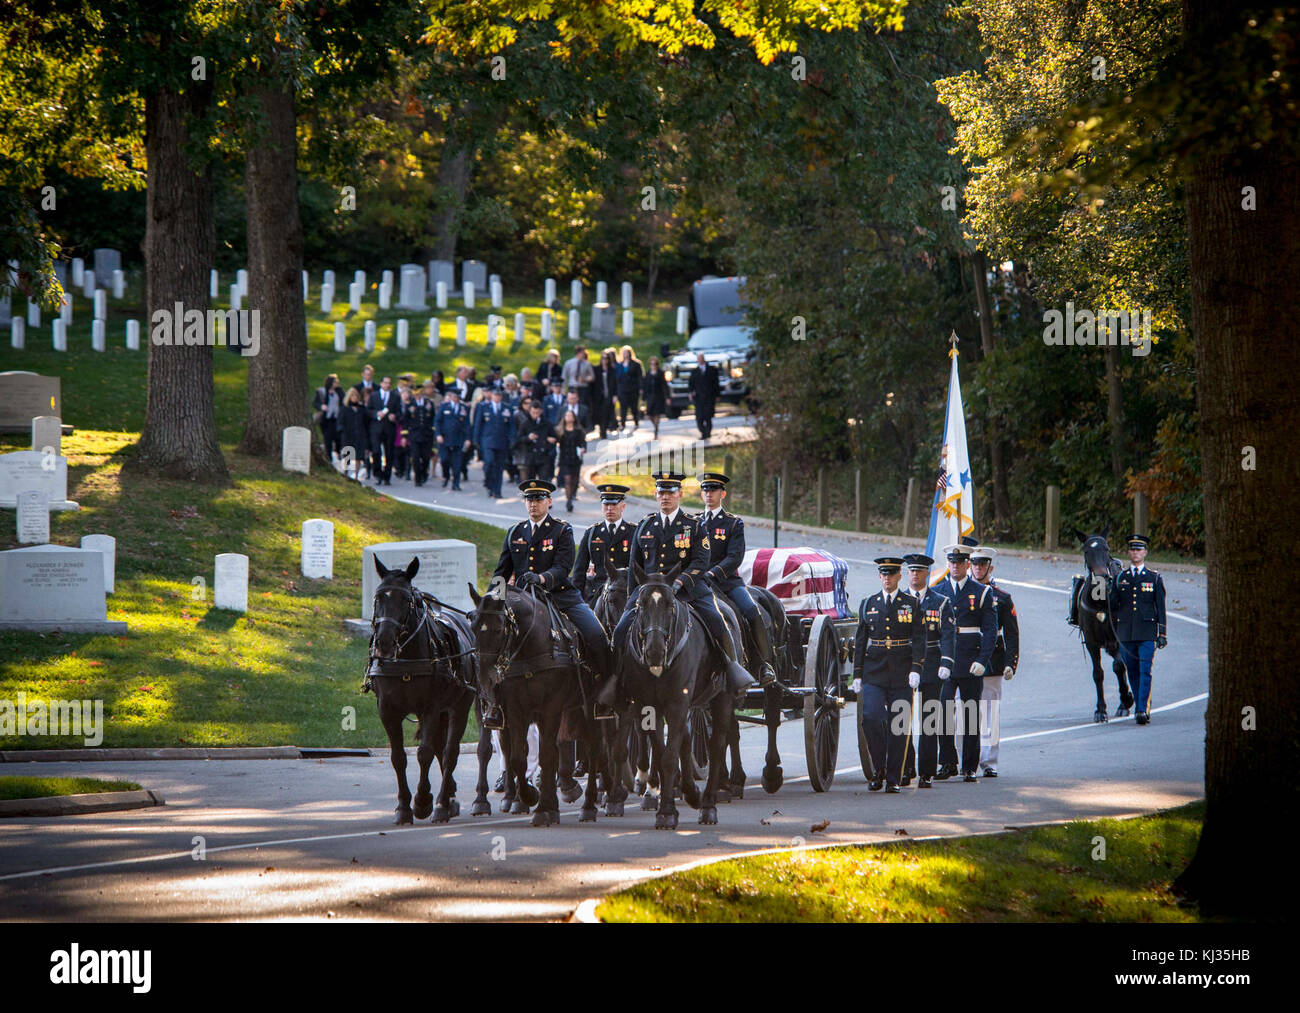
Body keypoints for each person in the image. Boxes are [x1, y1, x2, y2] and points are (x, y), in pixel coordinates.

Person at [598, 472, 757, 718]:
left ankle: (732, 670)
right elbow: (635, 566)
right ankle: (617, 681)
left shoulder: (694, 525)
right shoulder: (645, 525)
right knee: (619, 630)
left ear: (680, 495)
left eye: (670, 493)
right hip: (650, 594)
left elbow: (701, 561)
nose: (665, 498)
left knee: (718, 620)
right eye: (661, 493)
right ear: (655, 495)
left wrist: (681, 581)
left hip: (689, 591)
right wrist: (632, 598)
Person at [486, 479, 612, 729]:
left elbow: (564, 567)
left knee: (597, 635)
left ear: (549, 502)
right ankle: (494, 704)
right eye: (529, 500)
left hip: (559, 597)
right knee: (490, 641)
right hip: (522, 601)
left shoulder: (561, 530)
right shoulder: (515, 532)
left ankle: (604, 694)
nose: (533, 504)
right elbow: (501, 573)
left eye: (538, 500)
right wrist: (490, 602)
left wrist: (542, 578)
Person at [852, 557, 926, 793]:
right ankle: (879, 768)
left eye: (891, 574)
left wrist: (916, 668)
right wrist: (857, 673)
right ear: (879, 577)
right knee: (871, 717)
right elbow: (861, 641)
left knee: (899, 725)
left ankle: (893, 778)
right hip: (875, 672)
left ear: (898, 577)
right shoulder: (868, 604)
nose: (887, 578)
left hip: (902, 673)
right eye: (883, 574)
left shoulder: (910, 604)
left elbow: (919, 638)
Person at [695, 473, 776, 685]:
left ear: (722, 494)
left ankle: (763, 663)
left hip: (726, 582)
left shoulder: (733, 523)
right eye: (705, 490)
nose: (708, 494)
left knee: (751, 611)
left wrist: (713, 573)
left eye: (713, 490)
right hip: (697, 584)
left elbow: (735, 557)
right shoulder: (693, 522)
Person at [931, 542, 998, 782]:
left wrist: (983, 660)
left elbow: (990, 631)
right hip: (946, 661)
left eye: (960, 563)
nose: (955, 566)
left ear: (967, 564)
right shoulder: (937, 591)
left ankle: (969, 766)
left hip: (971, 660)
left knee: (970, 715)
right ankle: (948, 762)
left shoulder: (981, 592)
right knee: (944, 712)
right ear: (948, 565)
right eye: (952, 562)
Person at [899, 553, 955, 788]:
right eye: (911, 570)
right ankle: (906, 767)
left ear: (927, 574)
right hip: (904, 664)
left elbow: (948, 635)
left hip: (931, 664)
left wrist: (947, 662)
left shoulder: (940, 602)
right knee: (902, 720)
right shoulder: (900, 601)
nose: (914, 574)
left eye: (919, 571)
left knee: (929, 721)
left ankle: (926, 771)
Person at [969, 546, 1019, 776]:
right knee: (963, 713)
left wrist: (1011, 662)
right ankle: (965, 760)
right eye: (975, 564)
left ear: (991, 567)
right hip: (967, 659)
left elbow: (1011, 633)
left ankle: (989, 762)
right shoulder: (961, 593)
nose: (978, 568)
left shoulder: (1002, 598)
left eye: (982, 565)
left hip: (993, 661)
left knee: (990, 714)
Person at [1110, 533, 1167, 724]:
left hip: (1146, 632)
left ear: (1145, 553)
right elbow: (1113, 605)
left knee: (1145, 669)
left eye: (1139, 549)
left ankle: (1143, 709)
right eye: (1133, 549)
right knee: (1132, 670)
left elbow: (1160, 607)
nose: (1136, 553)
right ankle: (1139, 704)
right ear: (1129, 552)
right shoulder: (1121, 578)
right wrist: (1107, 587)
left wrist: (1162, 633)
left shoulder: (1154, 578)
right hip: (1126, 633)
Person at [572, 483, 635, 599]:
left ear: (623, 506)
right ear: (602, 506)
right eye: (606, 504)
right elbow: (579, 571)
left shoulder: (633, 532)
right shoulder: (592, 533)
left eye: (614, 504)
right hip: (596, 593)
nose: (609, 508)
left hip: (623, 593)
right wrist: (577, 599)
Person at [473, 387, 515, 499]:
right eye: (495, 395)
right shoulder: (484, 407)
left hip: (501, 441)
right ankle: (489, 484)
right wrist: (475, 440)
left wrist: (512, 439)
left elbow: (511, 426)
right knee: (489, 463)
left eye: (499, 395)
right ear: (492, 396)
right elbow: (478, 424)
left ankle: (497, 490)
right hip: (487, 440)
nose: (497, 397)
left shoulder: (507, 408)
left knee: (499, 467)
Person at [434, 386, 471, 490]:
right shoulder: (444, 406)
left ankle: (456, 483)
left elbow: (467, 425)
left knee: (457, 462)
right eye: (454, 396)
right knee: (444, 460)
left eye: (458, 397)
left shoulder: (464, 408)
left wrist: (468, 438)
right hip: (445, 438)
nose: (456, 398)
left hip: (458, 438)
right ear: (450, 396)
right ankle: (446, 476)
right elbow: (437, 422)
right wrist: (438, 434)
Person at [367, 376, 401, 486]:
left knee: (389, 452)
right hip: (376, 427)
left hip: (389, 429)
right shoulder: (374, 396)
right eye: (385, 383)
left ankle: (387, 476)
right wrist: (376, 414)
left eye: (389, 383)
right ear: (381, 384)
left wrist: (394, 416)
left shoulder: (395, 397)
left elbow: (399, 412)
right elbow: (368, 410)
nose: (387, 385)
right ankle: (377, 474)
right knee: (376, 451)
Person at [514, 399, 556, 483]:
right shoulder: (525, 423)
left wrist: (550, 441)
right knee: (530, 484)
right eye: (533, 412)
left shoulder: (547, 423)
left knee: (543, 483)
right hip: (529, 457)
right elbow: (518, 439)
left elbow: (554, 437)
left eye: (537, 412)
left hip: (543, 456)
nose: (535, 415)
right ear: (529, 411)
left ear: (541, 411)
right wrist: (528, 438)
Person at [405, 384, 436, 486]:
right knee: (415, 457)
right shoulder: (410, 405)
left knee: (426, 457)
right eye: (415, 394)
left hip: (426, 435)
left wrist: (433, 431)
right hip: (415, 435)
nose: (417, 396)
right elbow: (406, 421)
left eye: (418, 393)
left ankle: (424, 472)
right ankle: (417, 478)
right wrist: (404, 436)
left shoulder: (428, 403)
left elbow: (432, 418)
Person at [555, 411, 586, 512]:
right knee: (567, 479)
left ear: (574, 418)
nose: (568, 417)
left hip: (575, 458)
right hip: (564, 458)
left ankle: (572, 495)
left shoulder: (579, 430)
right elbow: (556, 441)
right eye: (566, 415)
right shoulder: (560, 430)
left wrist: (583, 449)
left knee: (574, 480)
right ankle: (568, 500)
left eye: (570, 415)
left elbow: (583, 442)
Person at [338, 387, 368, 479]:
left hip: (359, 435)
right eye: (352, 396)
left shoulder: (361, 409)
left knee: (358, 456)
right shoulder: (345, 409)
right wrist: (342, 430)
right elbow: (340, 422)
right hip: (348, 435)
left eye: (356, 396)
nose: (354, 398)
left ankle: (355, 475)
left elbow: (365, 422)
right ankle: (346, 473)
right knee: (348, 455)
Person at [690, 352, 721, 439]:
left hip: (709, 396)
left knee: (708, 415)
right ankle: (703, 431)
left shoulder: (712, 370)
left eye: (701, 358)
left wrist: (717, 395)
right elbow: (691, 384)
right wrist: (690, 393)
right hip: (699, 397)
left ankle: (707, 432)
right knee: (699, 416)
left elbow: (716, 383)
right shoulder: (695, 371)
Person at [354, 364, 378, 476]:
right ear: (363, 375)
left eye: (370, 374)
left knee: (372, 444)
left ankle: (370, 466)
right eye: (366, 374)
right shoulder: (357, 387)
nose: (368, 376)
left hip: (373, 419)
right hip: (361, 420)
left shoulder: (376, 388)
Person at [313, 373, 342, 462]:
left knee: (338, 437)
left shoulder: (339, 391)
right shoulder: (322, 391)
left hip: (336, 418)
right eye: (334, 382)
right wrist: (321, 406)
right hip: (326, 419)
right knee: (328, 438)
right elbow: (315, 403)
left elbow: (344, 401)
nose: (336, 384)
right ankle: (329, 458)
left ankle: (338, 452)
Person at [592, 348, 619, 438]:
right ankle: (602, 430)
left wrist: (615, 395)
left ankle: (605, 429)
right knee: (600, 413)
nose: (604, 360)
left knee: (607, 412)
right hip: (599, 396)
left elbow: (615, 384)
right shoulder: (596, 369)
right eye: (603, 358)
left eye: (606, 359)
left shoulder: (612, 370)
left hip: (609, 395)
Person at [616, 345, 643, 430]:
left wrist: (641, 388)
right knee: (623, 407)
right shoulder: (619, 365)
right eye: (624, 353)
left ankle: (636, 421)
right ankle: (623, 424)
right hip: (623, 389)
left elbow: (640, 377)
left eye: (627, 352)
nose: (625, 354)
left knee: (634, 407)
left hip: (633, 389)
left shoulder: (636, 364)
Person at [642, 356, 670, 439]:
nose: (653, 365)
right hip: (650, 396)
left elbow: (665, 386)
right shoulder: (648, 373)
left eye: (654, 364)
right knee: (650, 414)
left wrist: (667, 397)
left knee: (657, 413)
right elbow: (645, 386)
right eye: (651, 364)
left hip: (659, 396)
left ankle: (656, 430)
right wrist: (643, 399)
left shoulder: (661, 373)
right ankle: (655, 426)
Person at [391, 387, 413, 480]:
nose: (405, 396)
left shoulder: (411, 405)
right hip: (397, 428)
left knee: (407, 451)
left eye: (407, 394)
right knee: (397, 451)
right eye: (403, 394)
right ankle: (398, 468)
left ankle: (407, 471)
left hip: (408, 429)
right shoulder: (397, 405)